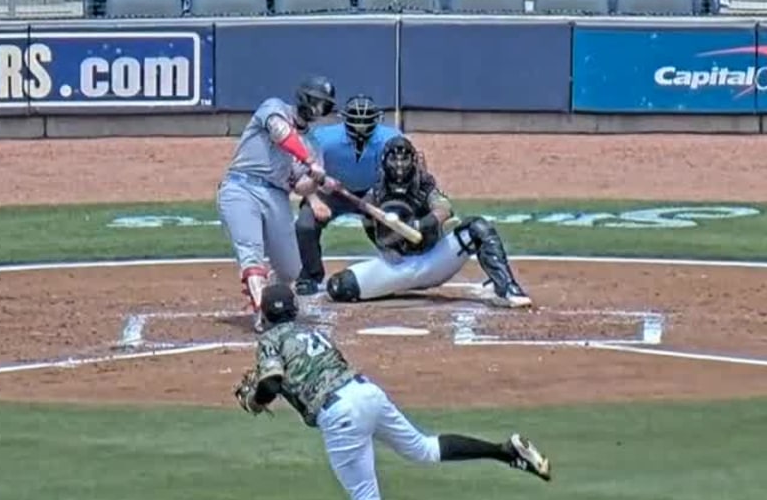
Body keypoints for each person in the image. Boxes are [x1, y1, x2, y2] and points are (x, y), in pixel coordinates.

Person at [234, 283, 551, 500]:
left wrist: (257, 399)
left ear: (266, 315)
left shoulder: (271, 339)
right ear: (295, 310)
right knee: (423, 448)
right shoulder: (314, 334)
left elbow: (271, 383)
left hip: (339, 414)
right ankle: (506, 451)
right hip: (367, 393)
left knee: (365, 498)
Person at [324, 136, 533, 308]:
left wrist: (420, 225)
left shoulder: (424, 186)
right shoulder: (375, 193)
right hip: (397, 267)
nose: (399, 165)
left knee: (477, 227)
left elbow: (445, 209)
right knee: (339, 287)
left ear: (413, 161)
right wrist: (384, 247)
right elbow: (368, 221)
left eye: (404, 159)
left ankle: (507, 287)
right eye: (395, 160)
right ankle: (391, 286)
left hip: (434, 260)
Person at [218, 75, 340, 332]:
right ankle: (264, 313)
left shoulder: (314, 144)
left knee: (290, 270)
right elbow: (282, 134)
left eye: (324, 105)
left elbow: (299, 187)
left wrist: (316, 181)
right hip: (241, 187)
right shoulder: (274, 108)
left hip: (276, 196)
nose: (319, 109)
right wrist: (310, 163)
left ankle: (270, 294)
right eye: (316, 102)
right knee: (250, 252)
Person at [293, 95, 403, 296]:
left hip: (374, 191)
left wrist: (377, 194)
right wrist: (315, 200)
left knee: (395, 218)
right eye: (357, 121)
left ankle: (395, 267)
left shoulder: (392, 139)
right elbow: (301, 174)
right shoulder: (323, 139)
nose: (361, 127)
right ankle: (310, 274)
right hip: (330, 191)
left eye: (366, 121)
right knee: (305, 225)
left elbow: (401, 174)